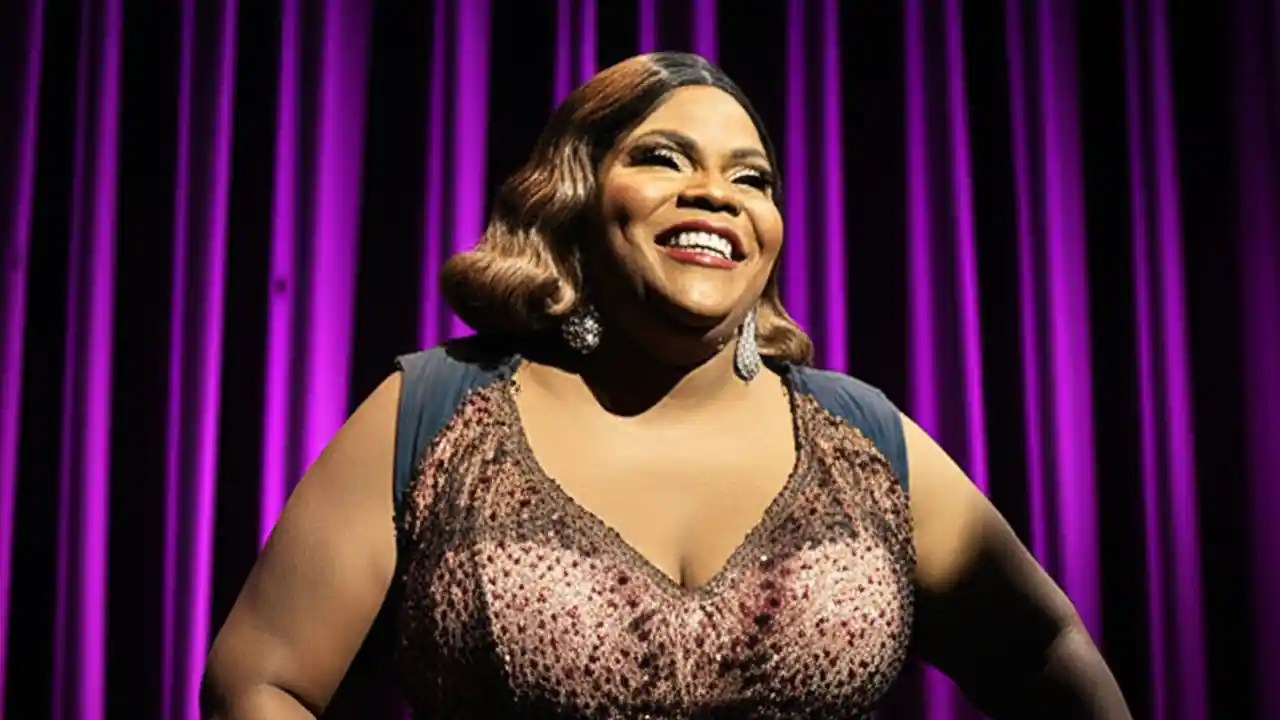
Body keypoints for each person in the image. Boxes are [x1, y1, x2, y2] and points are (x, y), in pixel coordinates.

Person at [202, 52, 1130, 718]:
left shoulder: (865, 438)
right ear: (575, 194)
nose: (716, 193)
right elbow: (261, 680)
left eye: (751, 177)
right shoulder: (436, 409)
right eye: (662, 157)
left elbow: (1043, 649)